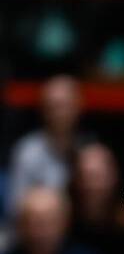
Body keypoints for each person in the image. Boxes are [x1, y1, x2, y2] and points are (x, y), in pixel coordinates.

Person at [6, 76, 88, 215]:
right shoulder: (27, 151)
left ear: (78, 106)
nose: (58, 113)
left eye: (63, 105)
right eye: (52, 106)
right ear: (43, 109)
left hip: (82, 230)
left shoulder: (90, 149)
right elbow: (16, 207)